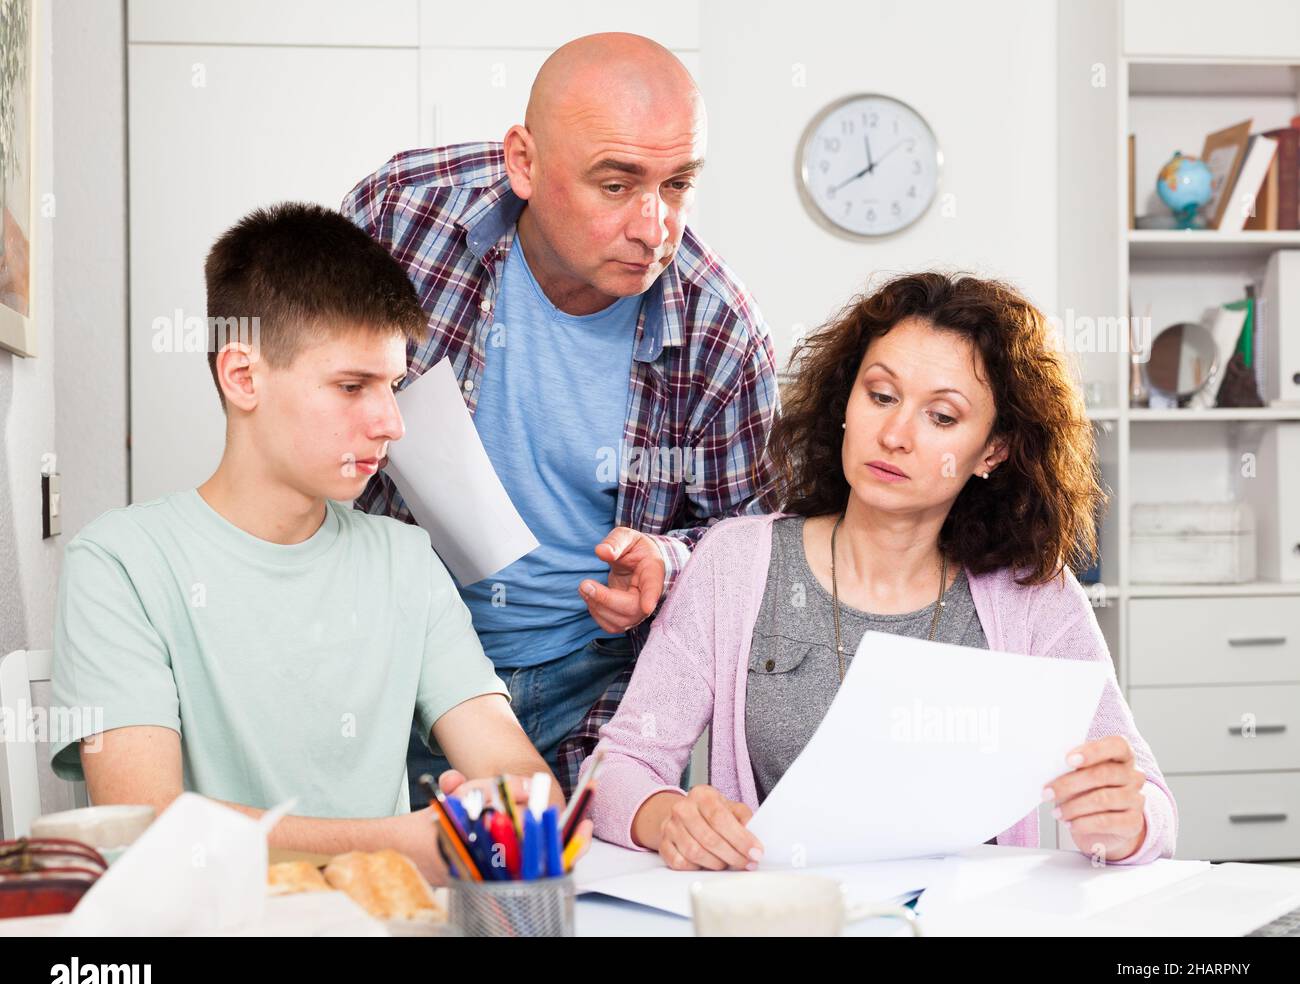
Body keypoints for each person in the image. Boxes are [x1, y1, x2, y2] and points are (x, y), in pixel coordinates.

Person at [49, 202, 573, 883]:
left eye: (393, 385)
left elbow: (525, 782)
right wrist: (400, 843)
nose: (391, 422)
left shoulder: (406, 560)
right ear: (243, 376)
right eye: (352, 386)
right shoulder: (119, 562)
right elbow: (146, 825)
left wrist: (508, 806)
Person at [584, 271, 1177, 869]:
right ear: (847, 402)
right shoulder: (735, 564)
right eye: (881, 396)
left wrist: (1126, 822)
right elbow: (616, 770)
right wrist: (668, 816)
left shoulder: (1033, 596)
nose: (893, 435)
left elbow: (1151, 803)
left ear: (993, 451)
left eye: (941, 417)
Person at [344, 32, 778, 800]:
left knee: (572, 905)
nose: (655, 229)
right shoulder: (400, 214)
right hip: (385, 653)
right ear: (524, 161)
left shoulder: (722, 331)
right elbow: (300, 381)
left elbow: (757, 545)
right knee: (376, 899)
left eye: (677, 184)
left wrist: (668, 561)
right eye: (617, 185)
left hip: (593, 682)